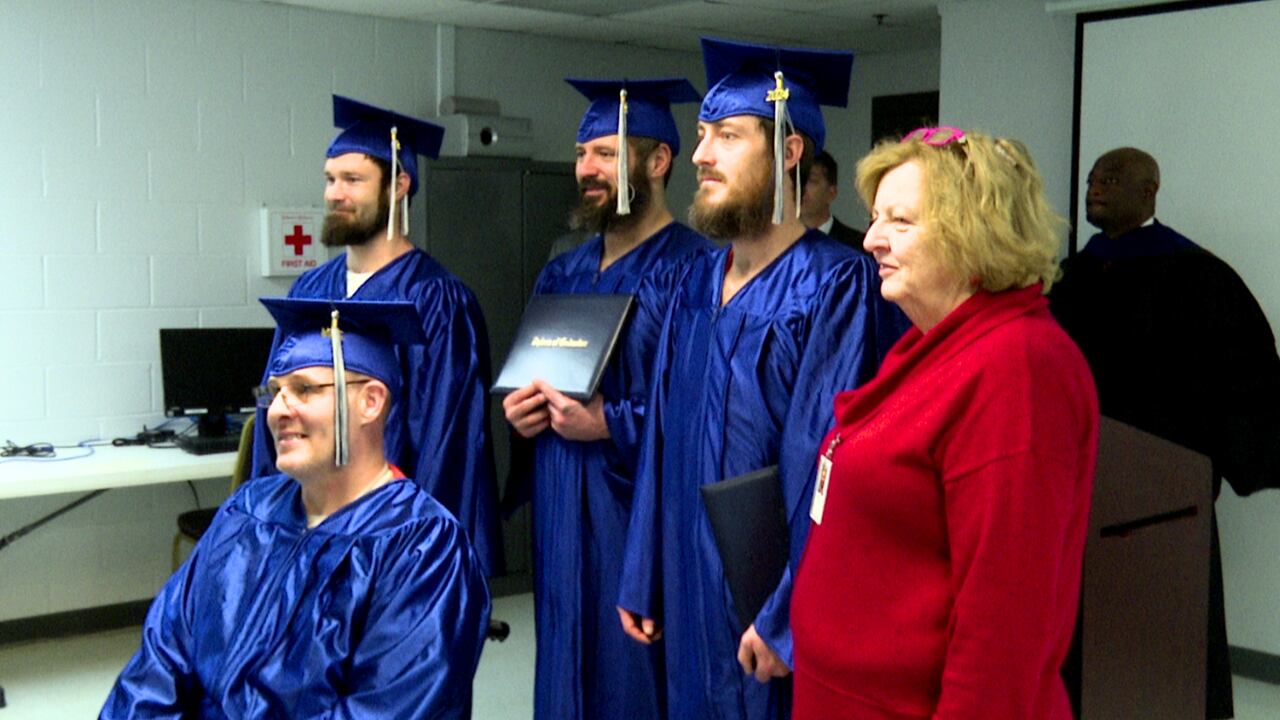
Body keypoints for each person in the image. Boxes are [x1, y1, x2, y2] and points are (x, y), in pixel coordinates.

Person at [616, 38, 906, 720]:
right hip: (688, 586)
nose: (700, 156)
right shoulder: (691, 281)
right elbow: (660, 436)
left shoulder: (837, 285)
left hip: (770, 602)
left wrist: (787, 616)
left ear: (789, 150)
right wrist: (642, 572)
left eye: (727, 136)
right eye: (700, 135)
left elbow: (826, 460)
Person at [789, 127, 1098, 719]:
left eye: (900, 222)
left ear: (974, 231)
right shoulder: (930, 349)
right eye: (875, 218)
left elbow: (1004, 622)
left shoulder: (1017, 366)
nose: (873, 240)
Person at [102, 298, 491, 719]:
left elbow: (391, 707)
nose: (278, 410)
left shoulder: (421, 548)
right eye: (274, 391)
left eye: (304, 389)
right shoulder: (247, 512)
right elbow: (160, 662)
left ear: (371, 401)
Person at [501, 77, 710, 720]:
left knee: (633, 678)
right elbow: (532, 372)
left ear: (657, 161)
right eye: (581, 153)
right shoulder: (562, 269)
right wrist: (519, 414)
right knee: (561, 660)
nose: (585, 169)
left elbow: (703, 409)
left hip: (635, 511)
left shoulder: (698, 268)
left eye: (603, 153)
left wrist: (609, 423)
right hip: (562, 501)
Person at [1050, 147, 1280, 719]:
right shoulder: (1069, 276)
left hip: (1166, 500)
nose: (1096, 186)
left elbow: (1248, 376)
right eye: (1092, 178)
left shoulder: (1200, 276)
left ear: (1150, 190)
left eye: (1112, 178)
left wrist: (1218, 463)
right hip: (1079, 488)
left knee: (1167, 642)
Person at [250, 95, 503, 578]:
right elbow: (275, 409)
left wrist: (420, 552)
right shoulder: (309, 290)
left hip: (390, 538)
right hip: (307, 529)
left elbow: (448, 441)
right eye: (329, 179)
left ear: (399, 185)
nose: (334, 193)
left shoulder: (438, 300)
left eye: (352, 180)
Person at [801, 149, 864, 249]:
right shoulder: (778, 241)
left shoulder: (858, 246)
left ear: (832, 193)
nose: (801, 187)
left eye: (812, 180)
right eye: (797, 179)